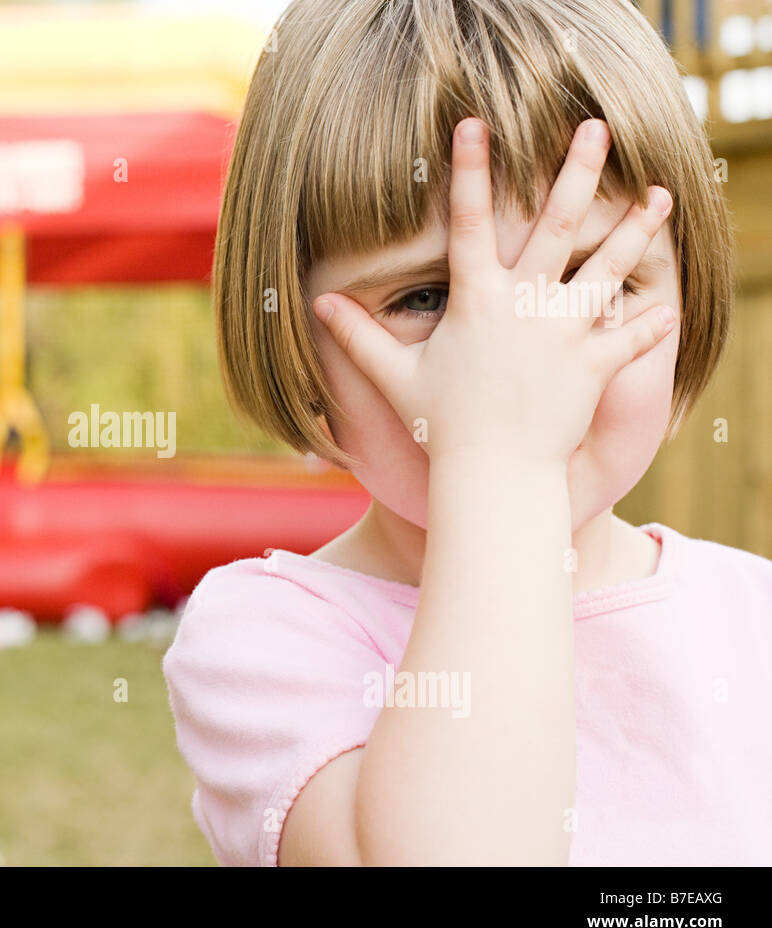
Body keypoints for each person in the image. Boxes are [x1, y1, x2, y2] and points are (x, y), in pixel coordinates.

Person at [162, 0, 772, 865]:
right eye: (427, 298)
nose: (520, 362)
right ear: (290, 336)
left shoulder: (753, 623)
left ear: (690, 295)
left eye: (589, 282)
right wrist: (501, 462)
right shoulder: (271, 638)